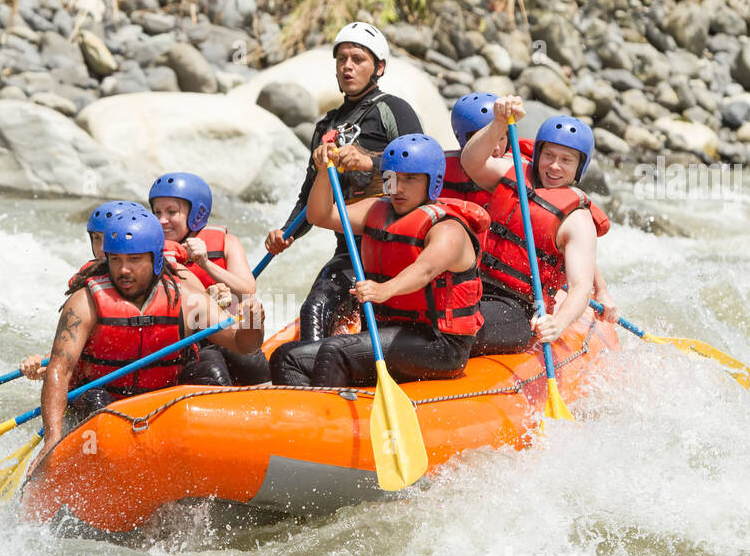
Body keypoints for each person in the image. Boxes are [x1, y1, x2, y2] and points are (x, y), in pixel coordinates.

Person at [38, 208, 265, 458]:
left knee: (206, 373)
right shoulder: (85, 302)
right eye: (116, 260)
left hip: (162, 406)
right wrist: (52, 438)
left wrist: (253, 323)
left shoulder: (187, 299)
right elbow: (60, 368)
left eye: (134, 260)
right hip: (104, 406)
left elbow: (244, 346)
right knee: (96, 402)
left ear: (157, 260)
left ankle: (225, 453)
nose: (124, 270)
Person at [270, 133, 487, 388]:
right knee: (286, 357)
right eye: (392, 179)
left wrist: (385, 289)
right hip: (388, 332)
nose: (398, 188)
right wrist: (321, 172)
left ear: (434, 182)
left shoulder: (448, 230)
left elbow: (424, 270)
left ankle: (330, 420)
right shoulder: (376, 209)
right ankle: (302, 419)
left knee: (334, 351)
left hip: (439, 343)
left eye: (410, 179)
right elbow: (320, 215)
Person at [263, 22, 424, 342]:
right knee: (313, 311)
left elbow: (423, 166)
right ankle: (309, 380)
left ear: (378, 68)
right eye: (341, 59)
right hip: (349, 252)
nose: (347, 66)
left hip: (394, 246)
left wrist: (372, 161)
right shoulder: (327, 125)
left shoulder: (394, 110)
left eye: (358, 59)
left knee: (370, 320)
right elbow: (310, 194)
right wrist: (286, 233)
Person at [460, 97, 614, 355]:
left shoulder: (577, 219)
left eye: (566, 160)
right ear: (539, 154)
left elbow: (579, 287)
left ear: (579, 167)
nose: (554, 166)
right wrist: (498, 123)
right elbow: (471, 162)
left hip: (518, 308)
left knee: (452, 320)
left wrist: (558, 323)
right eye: (549, 155)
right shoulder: (515, 172)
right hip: (472, 282)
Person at [20, 200, 204, 380]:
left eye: (108, 238)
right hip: (107, 383)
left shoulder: (173, 276)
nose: (101, 248)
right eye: (97, 239)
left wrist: (217, 294)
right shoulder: (87, 287)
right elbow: (69, 347)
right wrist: (46, 362)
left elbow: (205, 307)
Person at [149, 171, 270, 385]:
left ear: (197, 213)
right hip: (188, 346)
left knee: (251, 361)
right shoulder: (148, 253)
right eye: (157, 212)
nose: (162, 220)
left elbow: (247, 290)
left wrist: (205, 263)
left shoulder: (226, 243)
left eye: (171, 212)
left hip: (229, 335)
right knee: (213, 364)